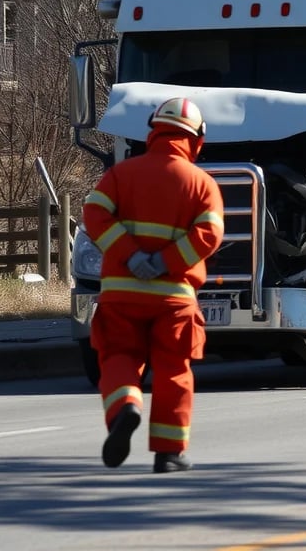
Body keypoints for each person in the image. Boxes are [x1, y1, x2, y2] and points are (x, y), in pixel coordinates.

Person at [82, 97, 224, 473]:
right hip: (174, 297)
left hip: (121, 293)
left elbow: (94, 213)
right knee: (173, 369)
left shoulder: (121, 174)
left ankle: (125, 408)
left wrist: (130, 256)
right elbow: (210, 233)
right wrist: (165, 262)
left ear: (152, 131)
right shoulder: (202, 184)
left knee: (118, 358)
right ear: (197, 139)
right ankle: (169, 453)